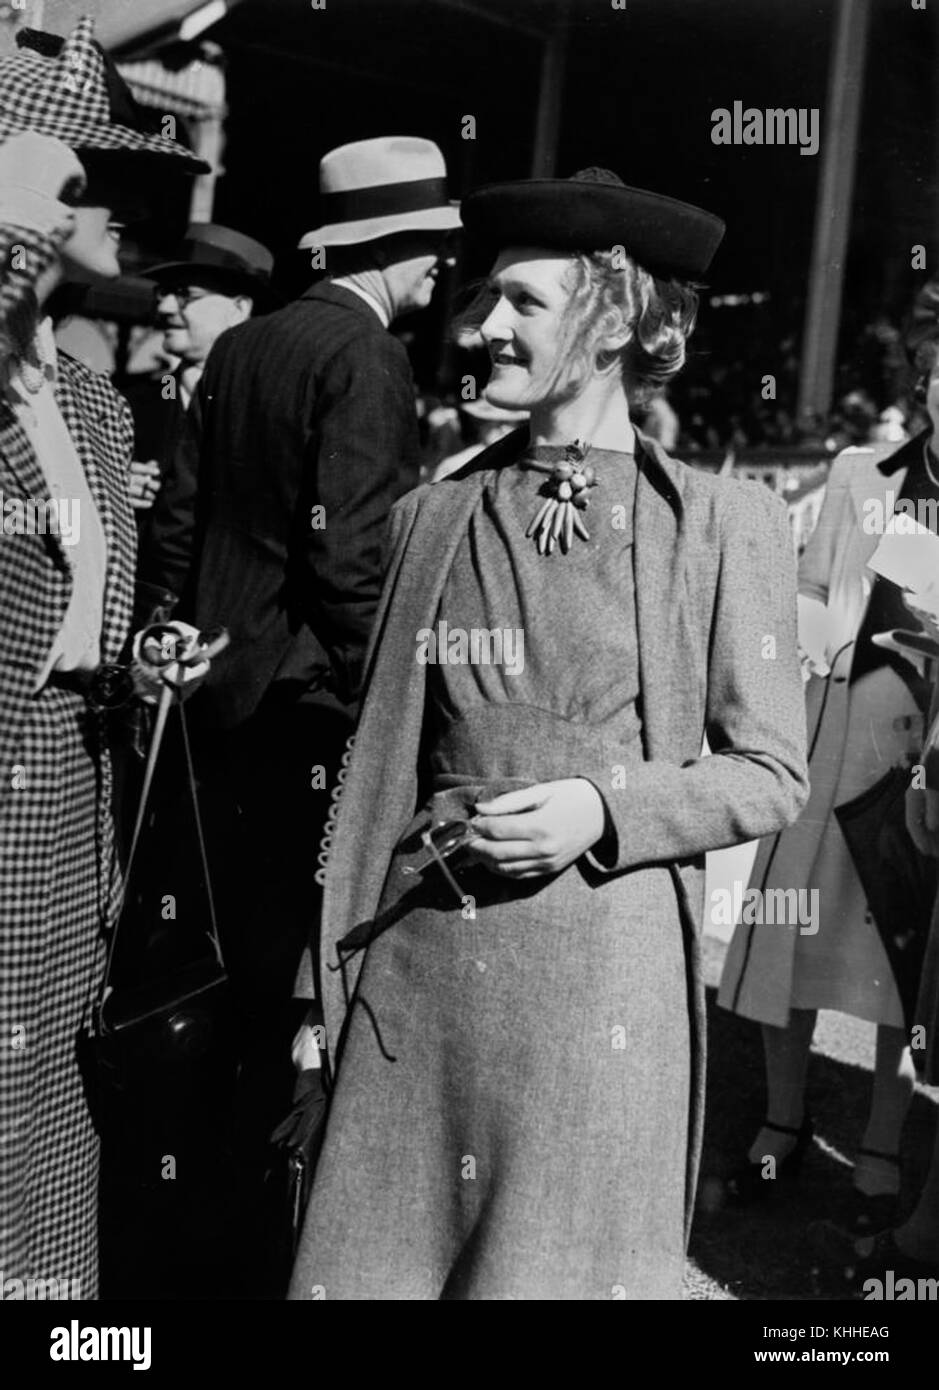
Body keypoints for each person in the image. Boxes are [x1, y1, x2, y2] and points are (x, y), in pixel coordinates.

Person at [288, 166, 809, 1301]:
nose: (483, 327)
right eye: (483, 301)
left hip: (600, 1005)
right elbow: (375, 765)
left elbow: (772, 772)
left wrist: (603, 810)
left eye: (522, 302)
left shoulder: (730, 526)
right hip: (416, 991)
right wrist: (315, 996)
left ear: (613, 313)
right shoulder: (435, 515)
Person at [135, 134, 461, 1288]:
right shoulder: (366, 357)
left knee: (207, 981)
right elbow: (350, 561)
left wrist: (173, 636)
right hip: (304, 715)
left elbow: (180, 520)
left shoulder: (242, 345)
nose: (447, 268)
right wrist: (417, 694)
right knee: (288, 987)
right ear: (390, 245)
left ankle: (177, 1224)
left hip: (211, 705)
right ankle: (245, 1246)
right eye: (434, 244)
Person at [0, 19, 206, 1300]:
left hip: (72, 832)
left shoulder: (92, 400)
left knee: (50, 1149)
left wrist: (146, 656)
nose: (124, 207)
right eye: (90, 174)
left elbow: (91, 618)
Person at [718, 324, 939, 1229]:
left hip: (922, 765)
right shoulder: (860, 474)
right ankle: (782, 1119)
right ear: (923, 383)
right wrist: (805, 633)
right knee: (788, 944)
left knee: (901, 965)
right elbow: (811, 589)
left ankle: (882, 1143)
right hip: (832, 744)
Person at [123, 222, 275, 531]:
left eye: (184, 295)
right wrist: (112, 490)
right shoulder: (125, 403)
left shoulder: (273, 410)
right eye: (162, 293)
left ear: (239, 309)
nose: (164, 307)